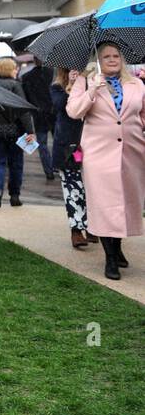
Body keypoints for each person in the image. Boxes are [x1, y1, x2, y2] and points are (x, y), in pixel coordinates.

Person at [66, 42, 145, 281]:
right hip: (99, 154)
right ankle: (110, 259)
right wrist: (92, 91)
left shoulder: (136, 83)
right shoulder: (86, 80)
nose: (112, 59)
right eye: (106, 56)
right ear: (98, 60)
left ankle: (118, 248)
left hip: (131, 152)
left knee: (124, 201)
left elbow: (142, 114)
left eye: (116, 55)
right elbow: (73, 111)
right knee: (106, 203)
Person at [51, 67, 96, 250]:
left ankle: (93, 226)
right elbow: (60, 106)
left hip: (92, 142)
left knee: (93, 188)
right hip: (68, 145)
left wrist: (88, 83)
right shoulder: (57, 86)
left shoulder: (95, 82)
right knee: (73, 188)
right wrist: (71, 85)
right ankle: (76, 230)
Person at [0, 57, 36, 208]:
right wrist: (30, 131)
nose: (16, 70)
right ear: (7, 69)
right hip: (15, 132)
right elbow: (23, 111)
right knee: (16, 164)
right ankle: (14, 195)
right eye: (14, 68)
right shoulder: (15, 85)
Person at [21, 56, 56, 180]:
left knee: (42, 145)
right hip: (53, 113)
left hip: (38, 114)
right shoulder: (53, 74)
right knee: (57, 141)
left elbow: (25, 99)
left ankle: (49, 170)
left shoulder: (26, 77)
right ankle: (57, 166)